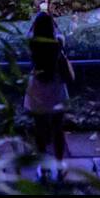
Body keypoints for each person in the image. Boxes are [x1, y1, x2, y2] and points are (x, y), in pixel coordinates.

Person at [24, 12, 74, 180]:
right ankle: (59, 166)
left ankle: (43, 167)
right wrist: (54, 23)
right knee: (58, 129)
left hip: (37, 89)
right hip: (56, 88)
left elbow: (29, 33)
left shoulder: (32, 43)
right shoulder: (57, 43)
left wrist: (36, 21)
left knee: (40, 130)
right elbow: (61, 34)